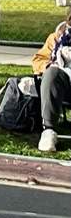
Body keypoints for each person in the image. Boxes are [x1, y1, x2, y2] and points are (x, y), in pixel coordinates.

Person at [34, 12, 71, 155]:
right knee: (52, 72)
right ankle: (49, 131)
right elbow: (38, 60)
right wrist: (51, 66)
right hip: (64, 86)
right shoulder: (57, 37)